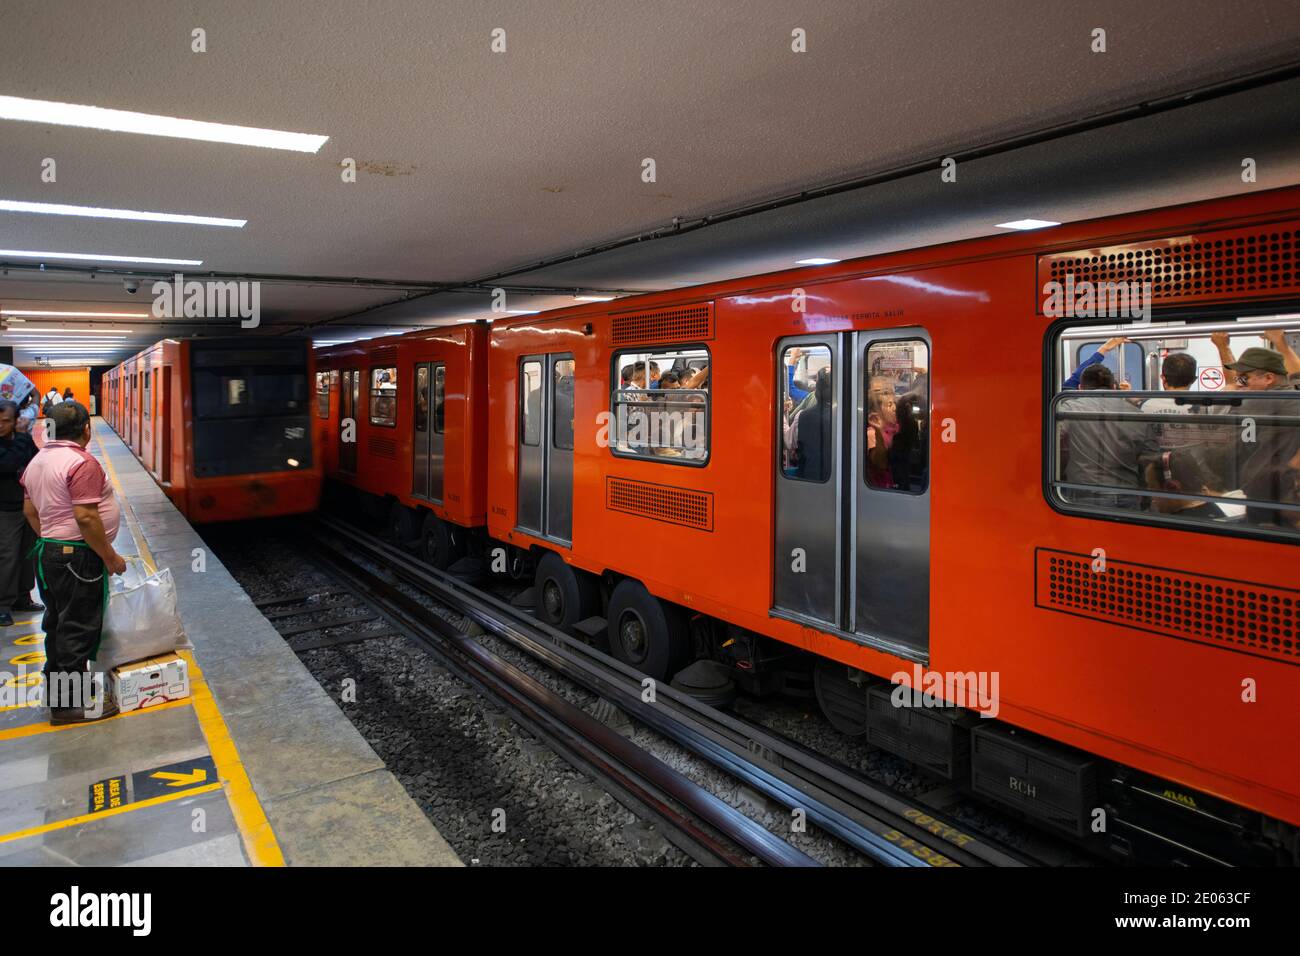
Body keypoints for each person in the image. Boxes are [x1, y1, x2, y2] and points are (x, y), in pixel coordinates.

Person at [21, 402, 128, 724]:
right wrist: (110, 556)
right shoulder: (81, 462)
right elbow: (85, 515)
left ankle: (58, 695)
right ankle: (69, 706)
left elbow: (29, 512)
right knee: (78, 628)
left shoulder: (37, 461)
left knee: (57, 625)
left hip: (50, 553)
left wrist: (54, 541)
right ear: (86, 428)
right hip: (78, 556)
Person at [1057, 364, 1149, 509]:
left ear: (1080, 388)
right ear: (1113, 387)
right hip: (1128, 495)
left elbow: (1053, 440)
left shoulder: (1069, 408)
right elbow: (1148, 454)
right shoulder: (1137, 413)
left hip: (1085, 495)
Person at [0, 400, 41, 626]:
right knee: (7, 556)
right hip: (4, 509)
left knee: (28, 553)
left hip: (27, 505)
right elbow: (8, 464)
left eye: (6, 421)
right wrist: (21, 438)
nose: (0, 425)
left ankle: (22, 597)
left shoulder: (23, 440)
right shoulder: (19, 441)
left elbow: (36, 461)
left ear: (15, 421)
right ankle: (2, 605)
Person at [1062, 337, 1133, 389]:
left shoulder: (1066, 406)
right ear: (1114, 387)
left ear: (1080, 387)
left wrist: (1103, 349)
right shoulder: (1120, 408)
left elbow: (1070, 384)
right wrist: (1124, 395)